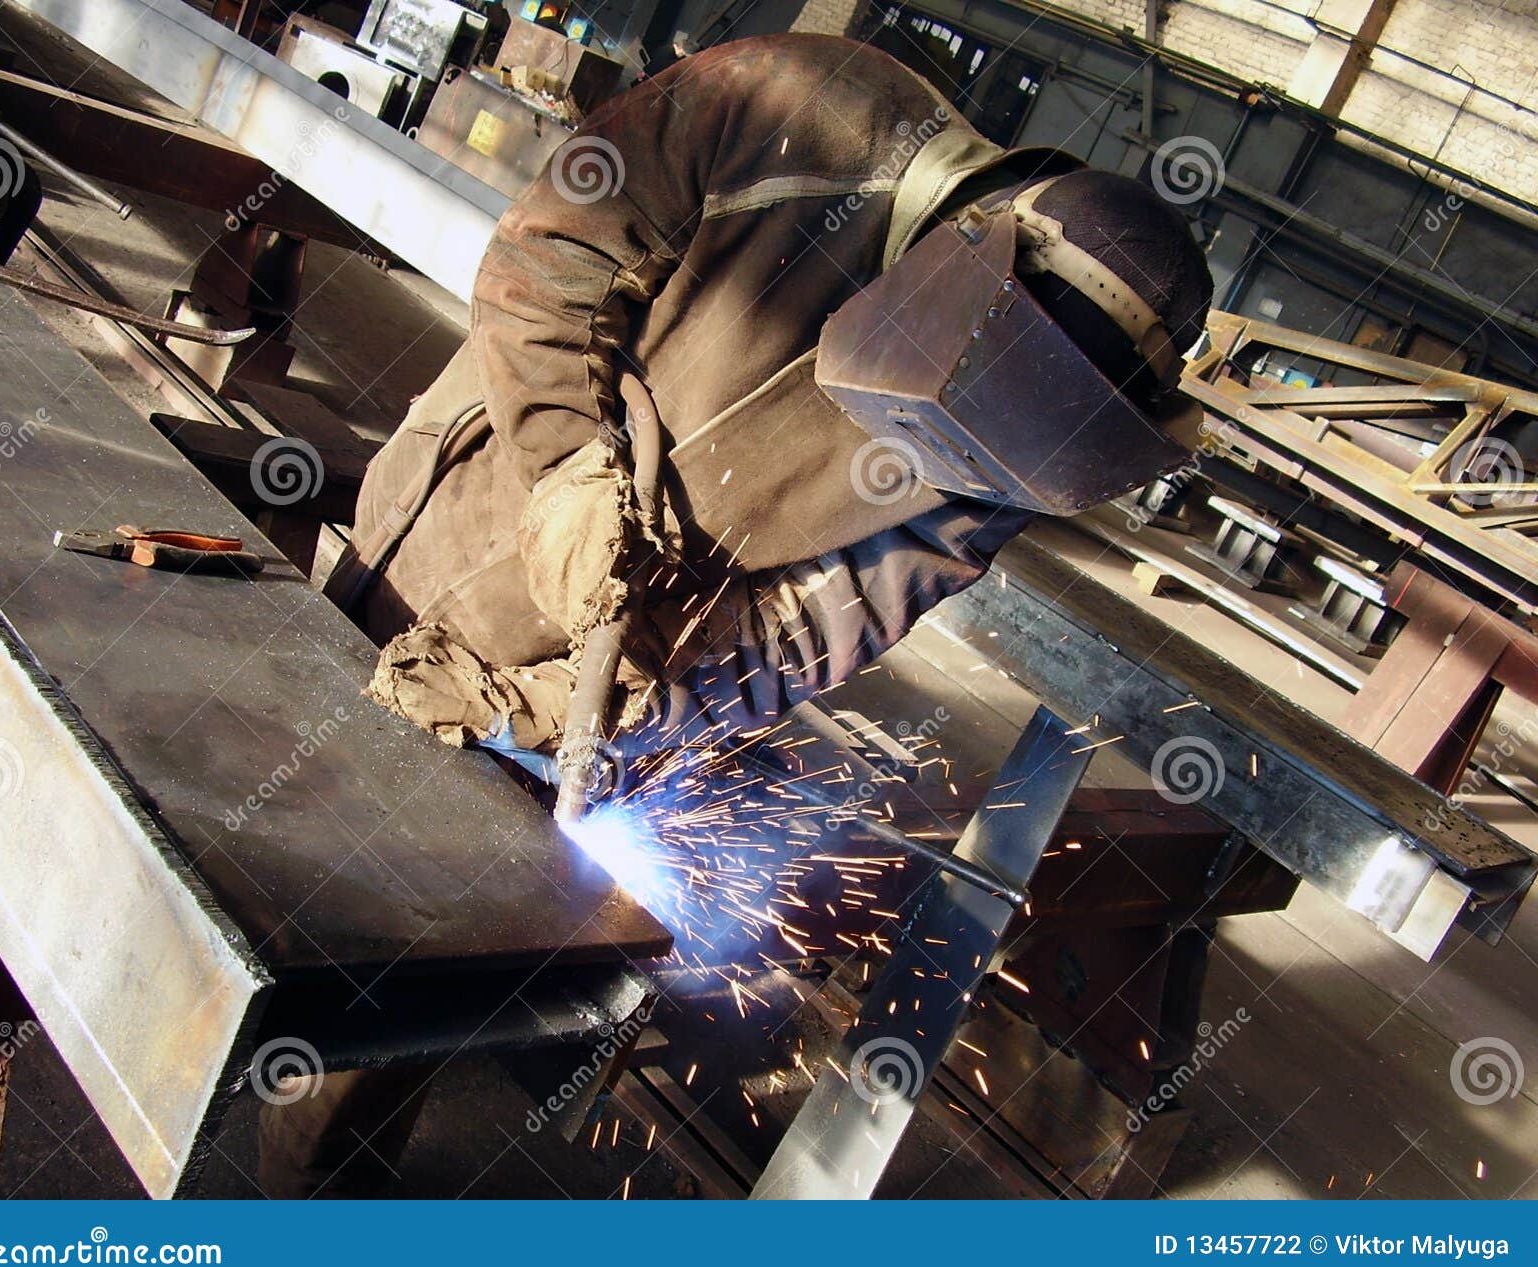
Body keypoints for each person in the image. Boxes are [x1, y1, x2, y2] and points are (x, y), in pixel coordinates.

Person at [275, 31, 1211, 1198]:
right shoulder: (797, 109)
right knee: (275, 803)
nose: (945, 467)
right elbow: (548, 258)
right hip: (458, 519)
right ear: (973, 250)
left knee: (405, 957)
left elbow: (823, 624)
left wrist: (634, 706)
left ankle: (306, 1194)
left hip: (623, 670)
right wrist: (567, 469)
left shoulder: (1030, 448)